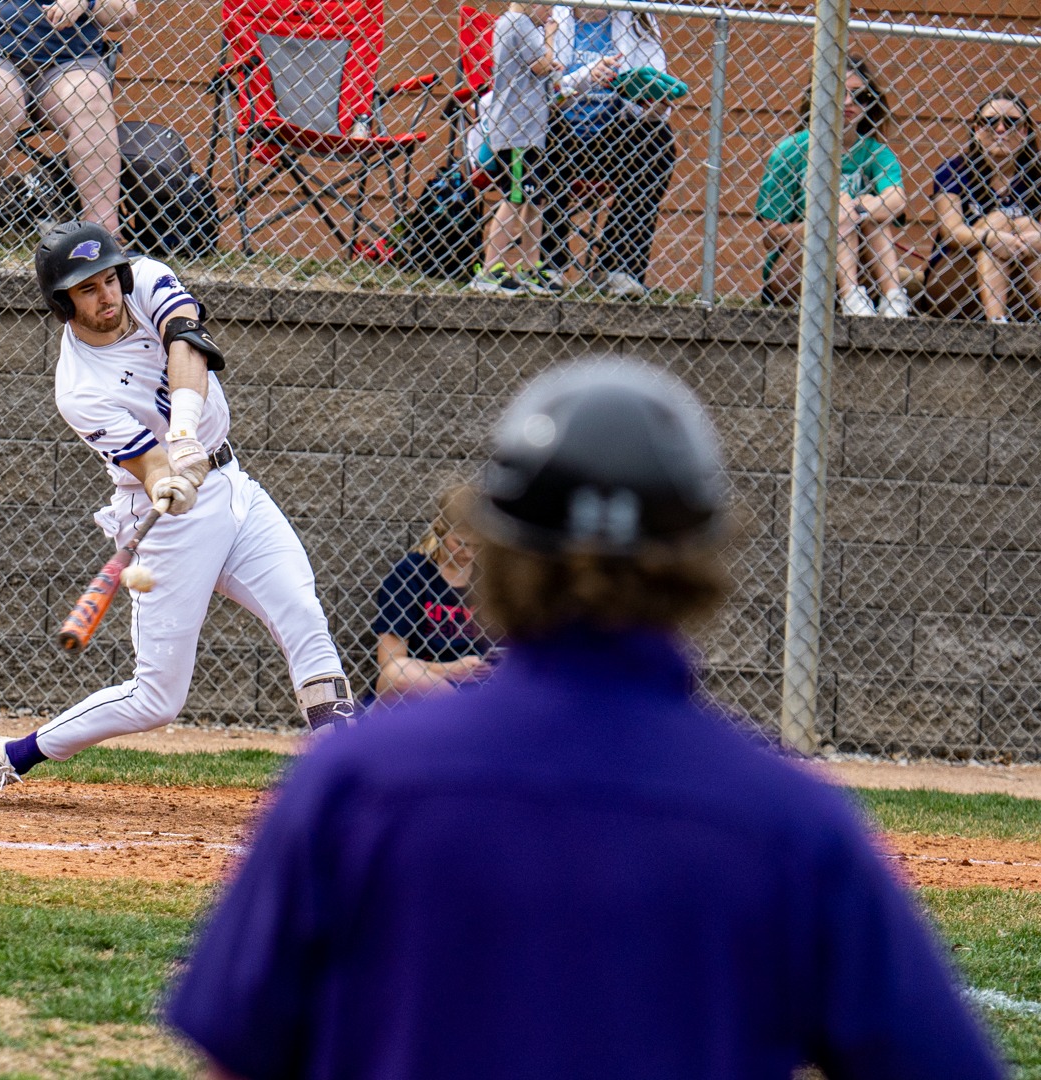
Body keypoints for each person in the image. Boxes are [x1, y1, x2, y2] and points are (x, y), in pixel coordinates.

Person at [164, 358, 1005, 1079]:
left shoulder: (353, 780)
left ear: (502, 548)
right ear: (699, 560)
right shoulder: (792, 820)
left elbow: (241, 1055)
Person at [0, 221, 353, 807]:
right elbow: (151, 468)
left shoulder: (148, 280)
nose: (107, 297)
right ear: (62, 303)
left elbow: (187, 340)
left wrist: (184, 434)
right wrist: (168, 476)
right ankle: (5, 756)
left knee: (302, 614)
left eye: (109, 280)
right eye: (87, 290)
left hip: (233, 486)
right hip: (167, 518)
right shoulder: (78, 387)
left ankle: (349, 776)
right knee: (158, 698)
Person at [0, 0, 132, 246]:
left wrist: (86, 2)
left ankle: (103, 234)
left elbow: (124, 15)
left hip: (67, 61)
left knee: (92, 95)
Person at [754, 56, 913, 318]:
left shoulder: (876, 152)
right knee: (840, 210)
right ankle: (851, 296)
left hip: (862, 266)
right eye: (840, 92)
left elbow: (897, 200)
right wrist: (825, 222)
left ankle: (892, 299)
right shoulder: (791, 151)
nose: (849, 102)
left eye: (859, 96)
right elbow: (771, 237)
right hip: (796, 273)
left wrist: (856, 209)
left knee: (868, 212)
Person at [538, 5, 678, 298]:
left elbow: (654, 95)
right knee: (545, 134)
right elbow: (539, 95)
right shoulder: (549, 17)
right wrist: (586, 77)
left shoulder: (639, 19)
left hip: (612, 133)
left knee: (658, 142)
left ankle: (618, 268)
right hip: (562, 130)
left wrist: (653, 104)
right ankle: (548, 264)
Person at [927, 91, 1041, 322]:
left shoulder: (1036, 176)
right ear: (977, 130)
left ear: (1024, 131)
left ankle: (998, 321)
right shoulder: (955, 170)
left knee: (1027, 224)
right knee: (999, 223)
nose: (1000, 130)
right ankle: (997, 327)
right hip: (954, 284)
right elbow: (951, 232)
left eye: (1011, 123)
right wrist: (991, 238)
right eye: (989, 122)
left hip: (1020, 287)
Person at [469, 1, 557, 297]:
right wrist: (551, 35)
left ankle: (530, 268)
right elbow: (543, 64)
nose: (551, 13)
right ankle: (491, 267)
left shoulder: (513, 23)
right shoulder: (520, 23)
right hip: (518, 129)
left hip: (529, 129)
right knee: (518, 195)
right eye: (548, 6)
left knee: (535, 199)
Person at [371, 501, 491, 700]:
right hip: (426, 687)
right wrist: (451, 670)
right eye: (460, 543)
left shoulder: (488, 577)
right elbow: (390, 661)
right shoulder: (410, 574)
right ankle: (460, 715)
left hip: (481, 687)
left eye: (477, 546)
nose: (469, 554)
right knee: (397, 674)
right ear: (440, 532)